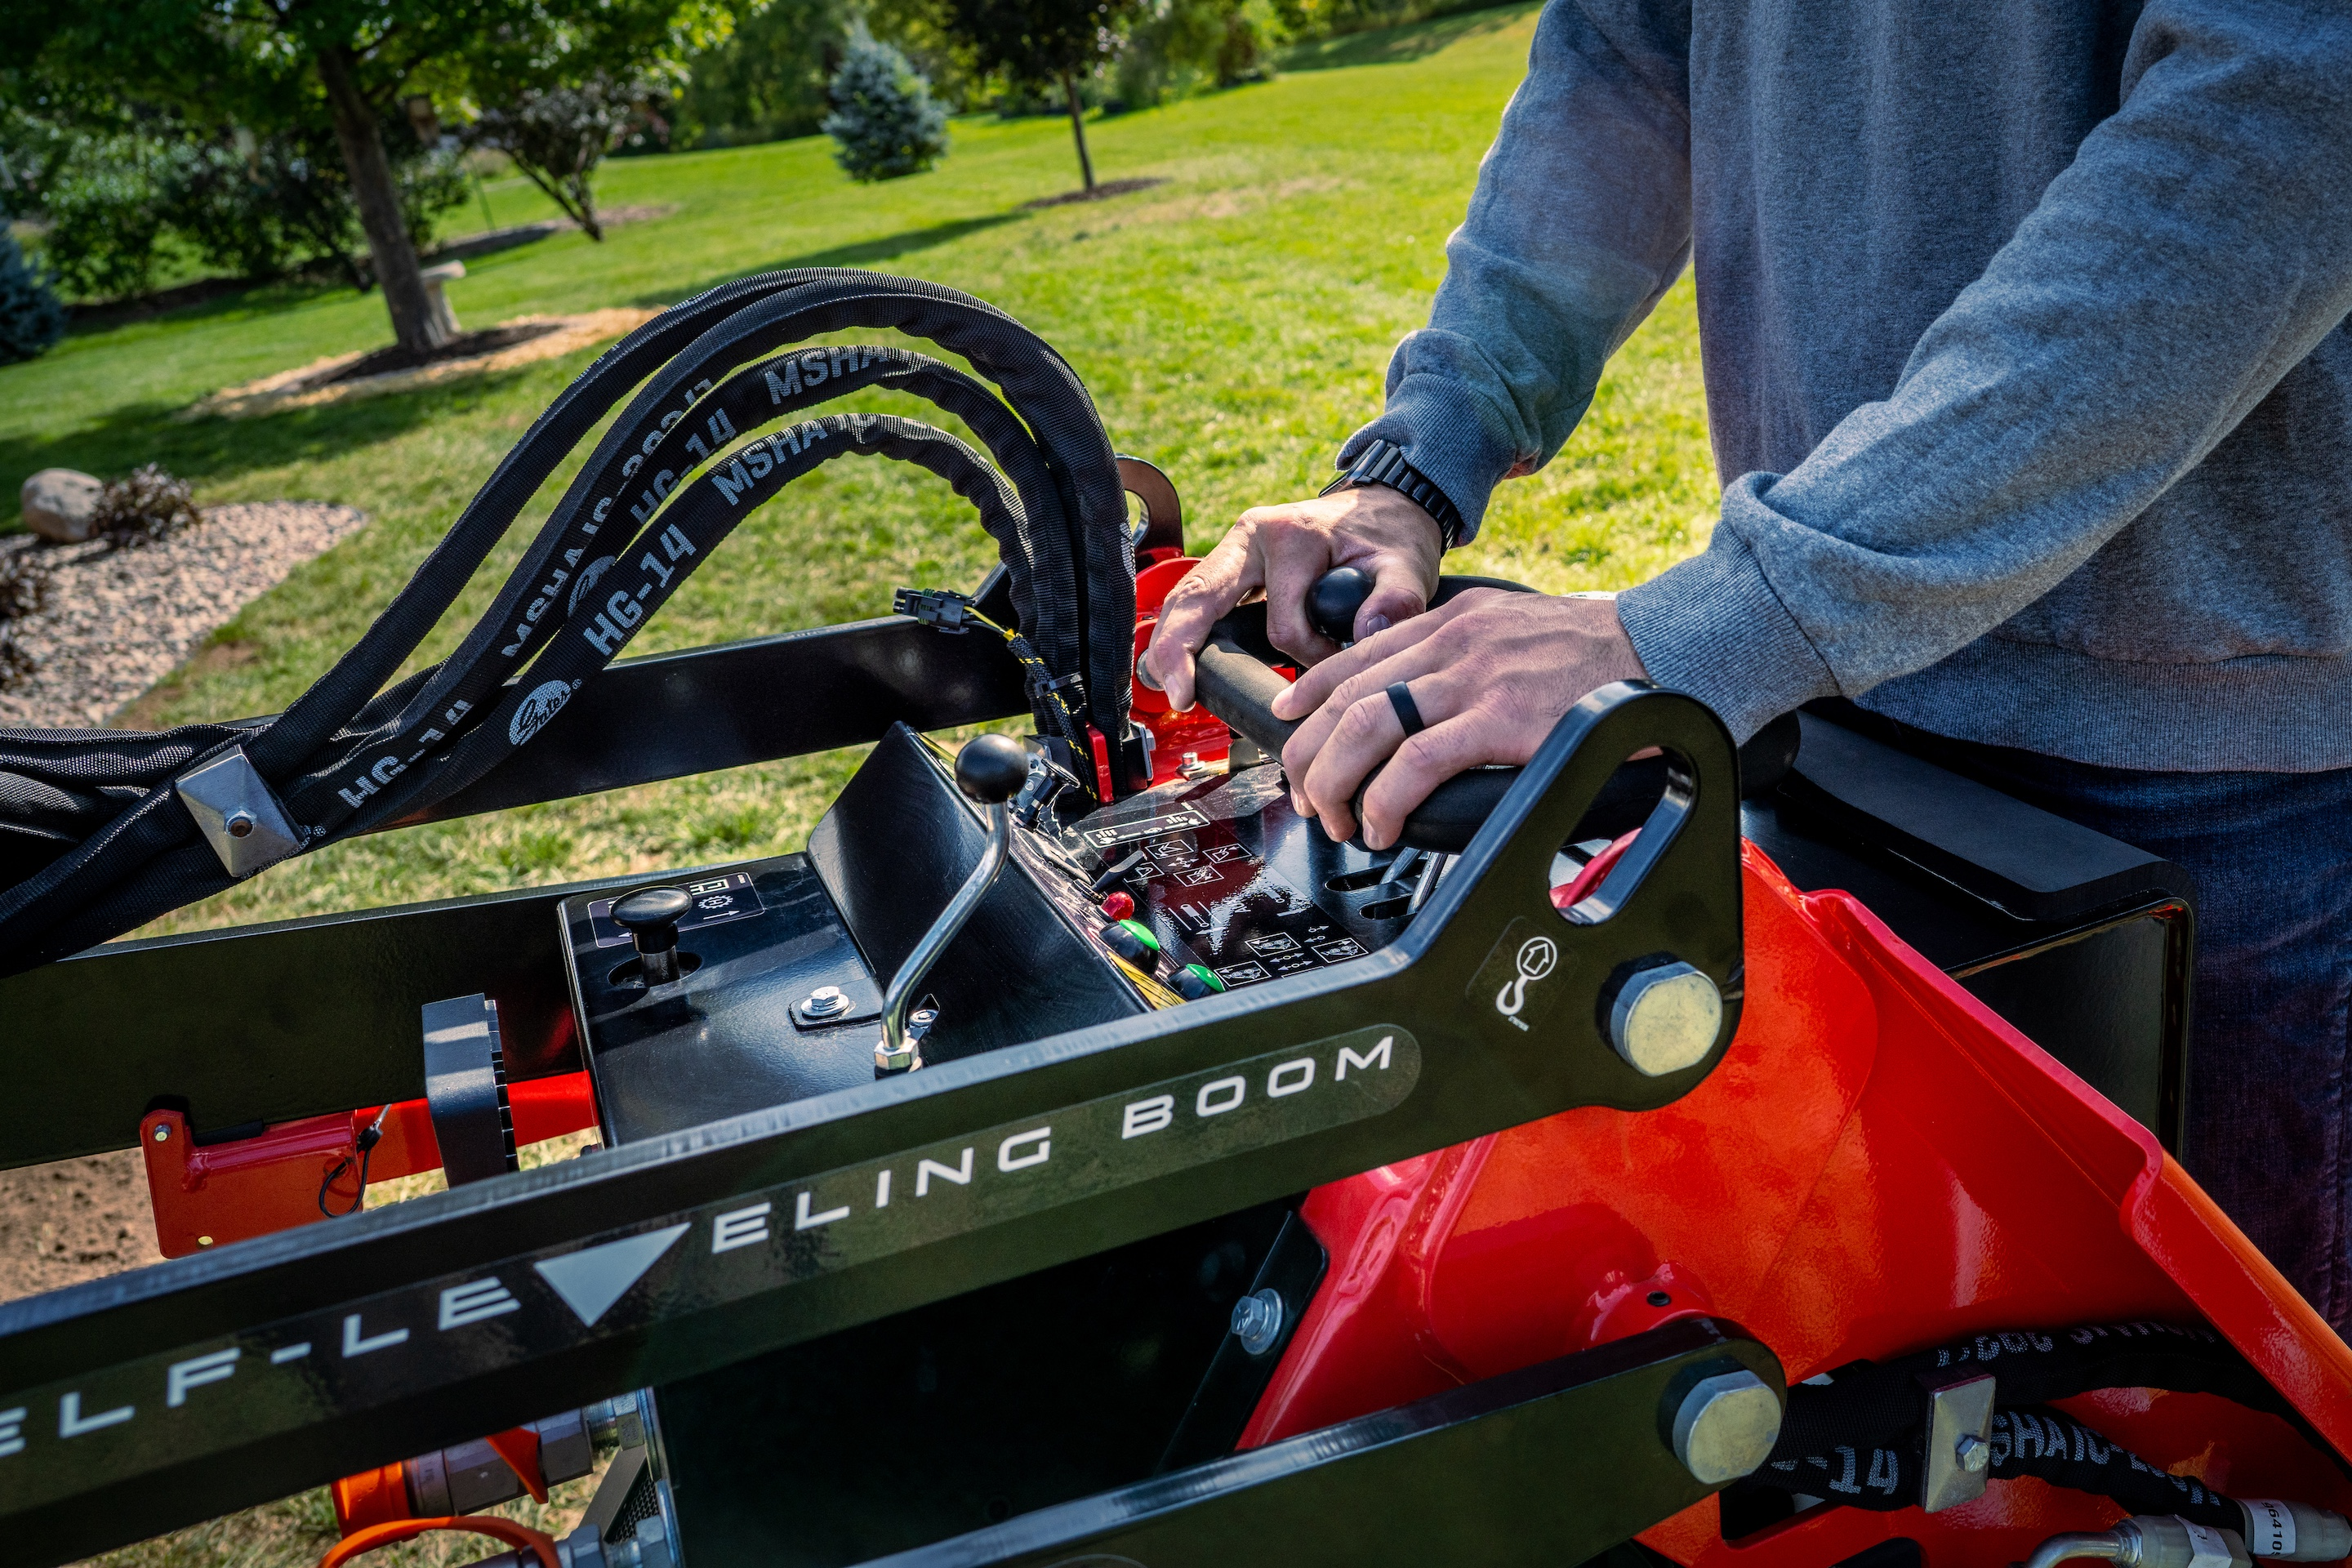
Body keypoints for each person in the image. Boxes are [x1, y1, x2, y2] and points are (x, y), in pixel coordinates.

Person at [1143, 0, 2352, 1326]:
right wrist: (1419, 459)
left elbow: (2289, 106)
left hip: (2219, 764)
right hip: (1830, 712)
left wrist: (1733, 614)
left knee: (2235, 1423)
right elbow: (1624, 58)